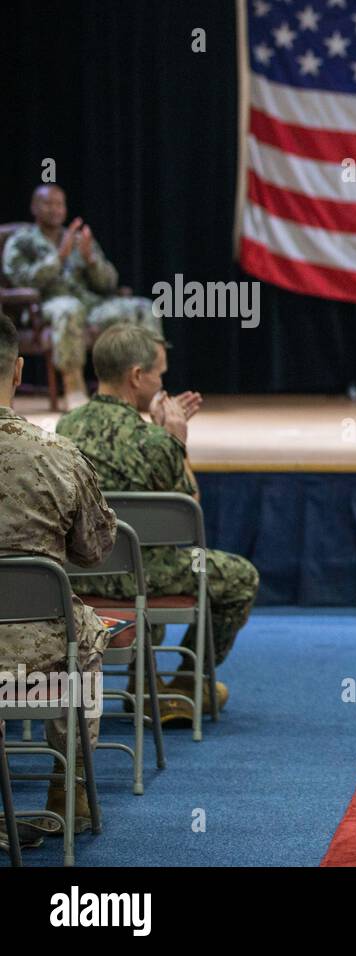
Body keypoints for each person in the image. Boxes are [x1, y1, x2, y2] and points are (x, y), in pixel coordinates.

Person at [55, 324, 258, 723]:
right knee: (241, 578)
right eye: (159, 374)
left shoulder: (66, 427)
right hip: (143, 573)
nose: (163, 382)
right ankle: (188, 683)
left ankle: (149, 686)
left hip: (78, 571)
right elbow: (190, 509)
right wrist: (177, 439)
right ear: (136, 376)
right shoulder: (155, 442)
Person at [0, 314, 116, 838]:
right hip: (37, 647)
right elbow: (94, 550)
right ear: (20, 369)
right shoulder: (58, 455)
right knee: (87, 633)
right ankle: (68, 791)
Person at [2, 185, 162, 408]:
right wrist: (58, 257)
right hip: (46, 306)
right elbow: (22, 281)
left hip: (90, 305)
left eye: (59, 204)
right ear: (34, 207)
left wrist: (91, 260)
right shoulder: (21, 241)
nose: (54, 210)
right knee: (69, 309)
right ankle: (73, 388)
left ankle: (147, 385)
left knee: (143, 307)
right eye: (48, 204)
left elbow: (109, 283)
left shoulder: (77, 239)